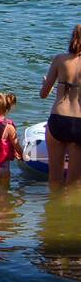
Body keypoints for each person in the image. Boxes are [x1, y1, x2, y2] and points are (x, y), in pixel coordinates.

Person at [40, 25, 81, 187]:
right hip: (79, 122)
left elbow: (43, 94)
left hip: (58, 120)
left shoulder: (59, 59)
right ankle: (68, 211)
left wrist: (45, 84)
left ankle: (52, 211)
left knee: (55, 178)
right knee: (74, 183)